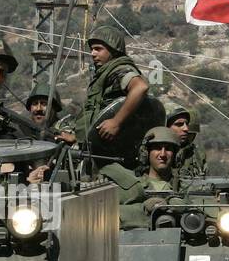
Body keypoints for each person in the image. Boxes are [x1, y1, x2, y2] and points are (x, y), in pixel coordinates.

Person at [59, 26, 154, 167]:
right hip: (99, 150)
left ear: (114, 50)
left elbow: (140, 87)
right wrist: (78, 138)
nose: (92, 53)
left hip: (113, 157)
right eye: (92, 49)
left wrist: (116, 122)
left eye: (98, 49)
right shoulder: (106, 72)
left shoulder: (120, 69)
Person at [164, 101, 208, 181]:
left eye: (186, 124)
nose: (186, 129)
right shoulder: (153, 154)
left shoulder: (195, 154)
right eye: (179, 124)